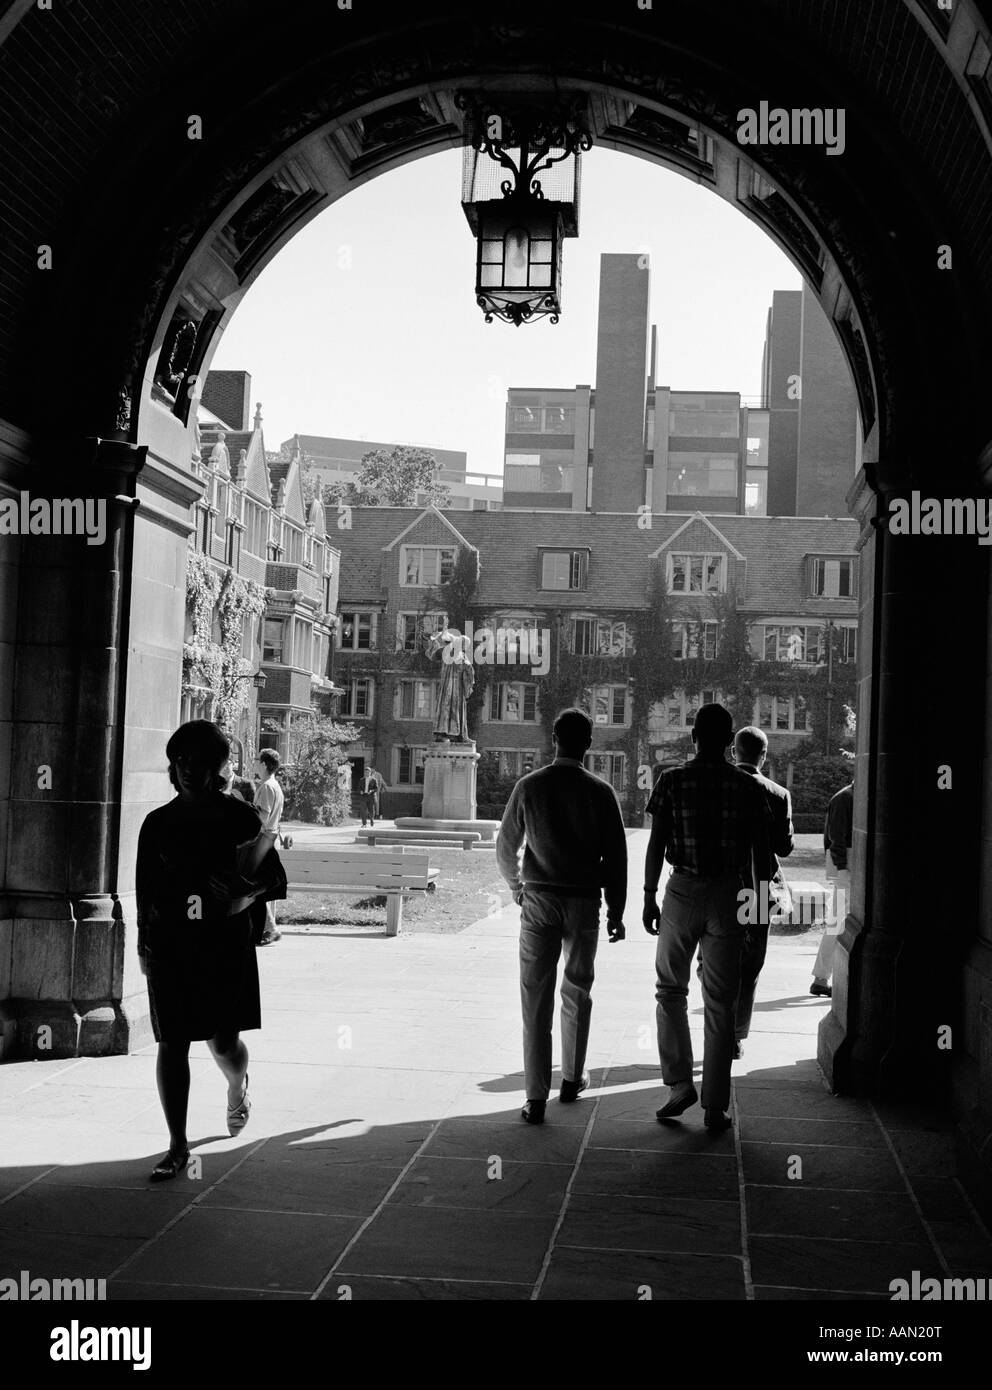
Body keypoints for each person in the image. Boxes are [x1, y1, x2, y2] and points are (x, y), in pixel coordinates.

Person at [136, 721, 275, 1182]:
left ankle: (237, 1084)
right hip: (171, 946)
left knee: (222, 1042)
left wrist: (243, 889)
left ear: (218, 767)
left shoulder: (240, 817)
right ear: (173, 766)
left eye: (200, 761)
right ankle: (177, 1145)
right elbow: (144, 892)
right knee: (171, 1043)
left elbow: (274, 879)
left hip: (223, 946)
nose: (190, 769)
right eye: (182, 761)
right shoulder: (157, 824)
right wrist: (143, 943)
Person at [643, 703, 772, 1134]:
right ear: (731, 741)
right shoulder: (748, 787)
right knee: (720, 1001)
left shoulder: (672, 780)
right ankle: (716, 1106)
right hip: (730, 894)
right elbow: (762, 859)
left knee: (670, 989)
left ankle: (680, 1082)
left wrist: (647, 896)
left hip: (682, 890)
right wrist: (753, 910)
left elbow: (657, 843)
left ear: (694, 736)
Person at [496, 708, 627, 1125]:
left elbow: (505, 846)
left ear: (554, 738)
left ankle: (535, 1096)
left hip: (540, 899)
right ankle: (571, 1078)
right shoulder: (601, 791)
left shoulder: (530, 785)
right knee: (577, 990)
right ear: (589, 743)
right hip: (584, 901)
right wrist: (617, 910)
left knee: (535, 997)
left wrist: (517, 887)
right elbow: (617, 859)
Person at [728, 726, 794, 1057]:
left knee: (715, 956)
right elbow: (784, 847)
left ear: (733, 752)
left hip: (723, 883)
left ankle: (719, 1023)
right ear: (764, 756)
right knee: (751, 961)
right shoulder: (777, 793)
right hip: (759, 888)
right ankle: (736, 1032)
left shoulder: (720, 785)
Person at [811, 769, 855, 998]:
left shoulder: (847, 797)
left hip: (847, 866)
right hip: (847, 867)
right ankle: (821, 977)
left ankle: (821, 976)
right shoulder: (844, 798)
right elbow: (836, 837)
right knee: (837, 922)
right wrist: (842, 868)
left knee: (836, 922)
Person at [253, 749, 285, 945]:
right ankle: (267, 927)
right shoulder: (275, 786)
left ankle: (270, 928)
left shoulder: (266, 787)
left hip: (262, 840)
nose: (255, 763)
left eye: (257, 760)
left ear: (264, 764)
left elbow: (263, 816)